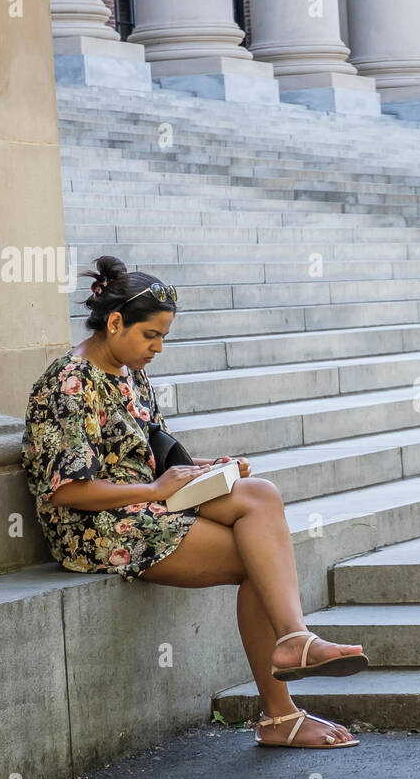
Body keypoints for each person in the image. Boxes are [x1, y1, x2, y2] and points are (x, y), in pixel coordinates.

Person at [20, 256, 367, 749]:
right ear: (114, 322)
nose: (158, 348)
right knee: (259, 561)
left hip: (146, 504)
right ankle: (280, 710)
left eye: (164, 337)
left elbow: (150, 456)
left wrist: (205, 468)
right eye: (150, 335)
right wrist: (157, 492)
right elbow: (68, 490)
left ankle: (294, 641)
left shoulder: (128, 371)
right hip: (95, 527)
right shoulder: (66, 382)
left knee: (259, 493)